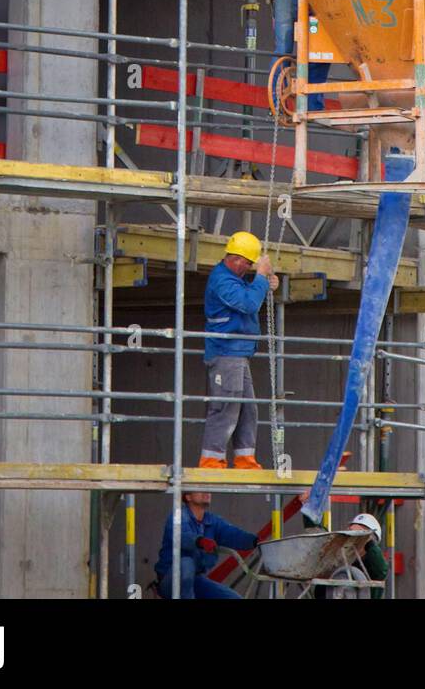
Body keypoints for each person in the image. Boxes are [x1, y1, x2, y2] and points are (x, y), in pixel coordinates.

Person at [199, 232, 278, 471]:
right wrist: (262, 279)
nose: (250, 268)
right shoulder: (222, 280)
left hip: (238, 352)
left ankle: (245, 458)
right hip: (225, 351)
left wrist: (265, 283)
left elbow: (251, 295)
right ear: (236, 259)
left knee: (246, 408)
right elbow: (248, 303)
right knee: (227, 404)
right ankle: (211, 459)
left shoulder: (234, 279)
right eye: (248, 263)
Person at [155, 490, 258, 600]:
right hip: (170, 580)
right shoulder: (178, 516)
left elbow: (232, 534)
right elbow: (182, 536)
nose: (207, 491)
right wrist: (200, 541)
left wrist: (255, 541)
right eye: (200, 488)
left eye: (208, 488)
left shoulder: (212, 520)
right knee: (186, 563)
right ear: (188, 496)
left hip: (195, 580)